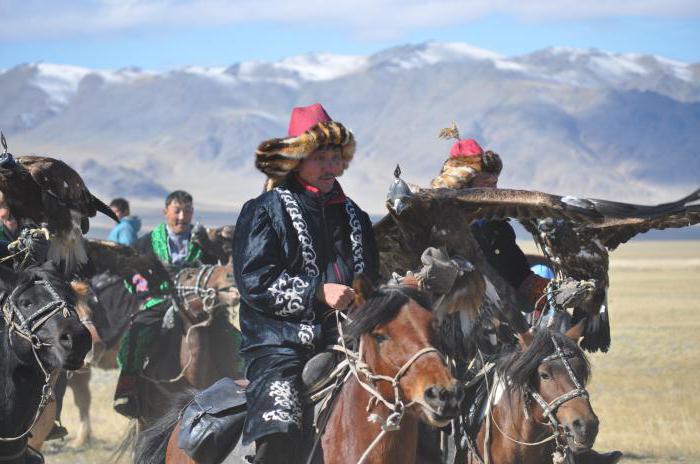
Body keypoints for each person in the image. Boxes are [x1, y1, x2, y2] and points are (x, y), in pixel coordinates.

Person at [233, 103, 379, 463]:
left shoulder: (355, 216)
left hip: (349, 341)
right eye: (320, 157)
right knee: (278, 426)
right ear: (297, 160)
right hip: (279, 345)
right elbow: (254, 282)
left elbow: (372, 278)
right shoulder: (265, 210)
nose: (331, 166)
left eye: (335, 156)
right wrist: (317, 291)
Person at [113, 190, 219, 417]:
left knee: (229, 334)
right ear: (165, 212)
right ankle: (127, 390)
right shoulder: (146, 242)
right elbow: (131, 273)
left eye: (187, 211)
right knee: (137, 332)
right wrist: (150, 283)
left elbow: (216, 270)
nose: (182, 217)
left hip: (197, 302)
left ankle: (237, 383)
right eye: (177, 211)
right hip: (160, 300)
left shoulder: (202, 242)